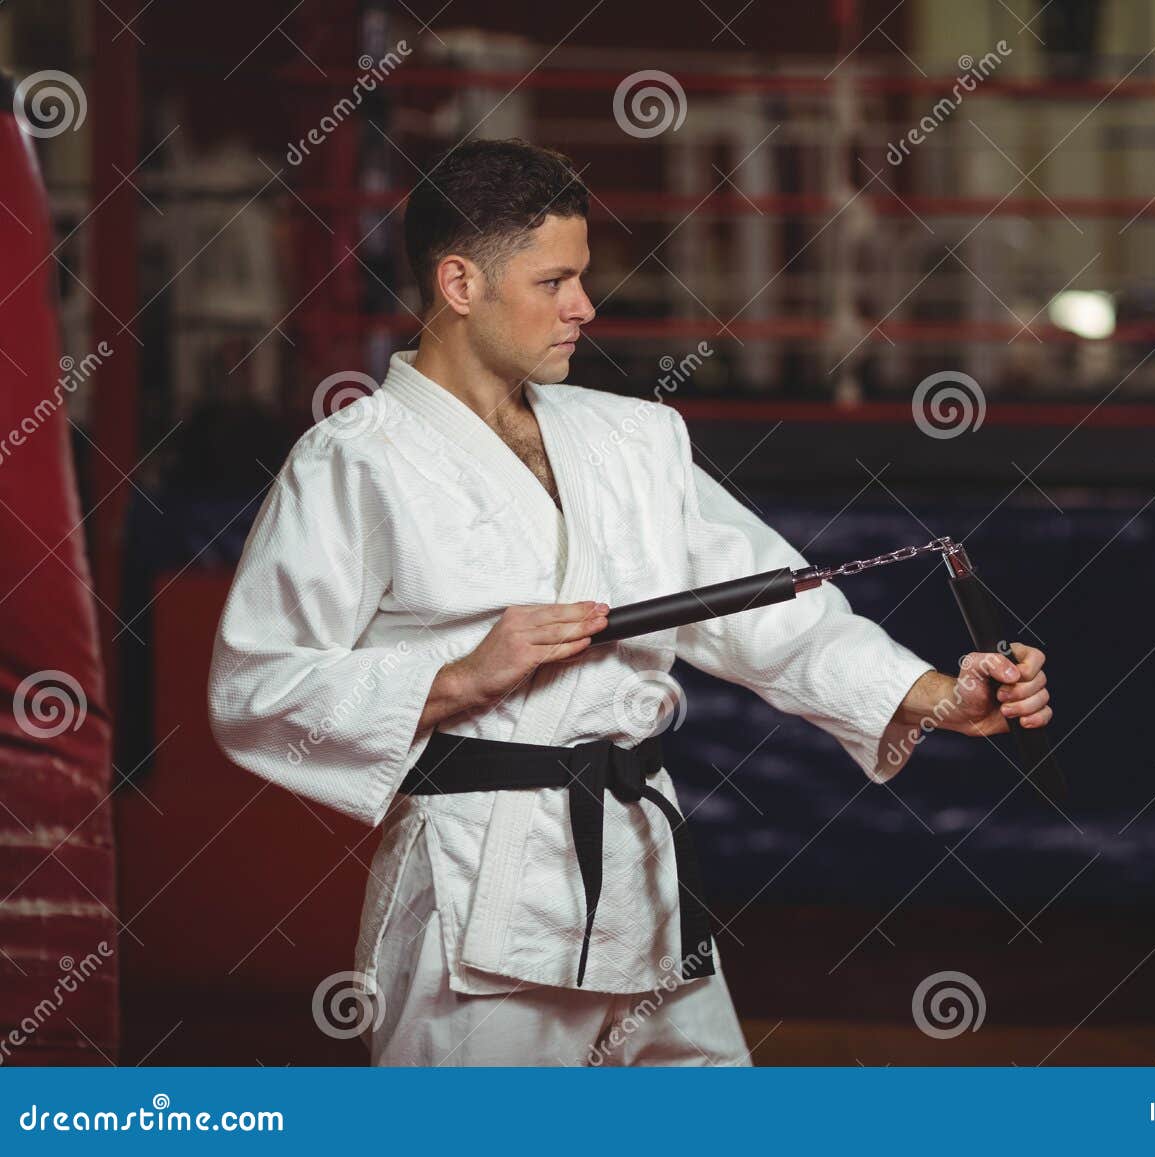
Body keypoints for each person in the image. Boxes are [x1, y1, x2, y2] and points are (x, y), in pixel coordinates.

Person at [205, 139, 1052, 1067]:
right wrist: (459, 675)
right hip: (474, 886)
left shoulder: (636, 438)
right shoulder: (355, 460)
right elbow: (259, 687)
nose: (585, 307)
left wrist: (934, 693)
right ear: (459, 283)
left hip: (645, 874)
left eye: (584, 278)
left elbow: (768, 612)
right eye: (554, 281)